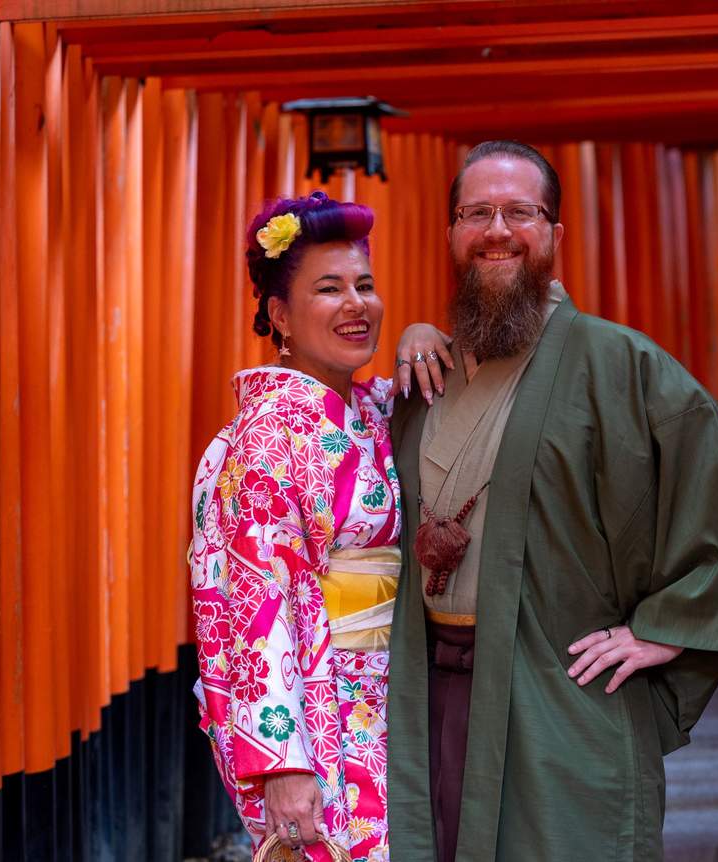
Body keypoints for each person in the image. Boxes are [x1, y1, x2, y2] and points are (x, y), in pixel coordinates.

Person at [386, 141, 718, 862]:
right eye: (476, 212)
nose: (496, 230)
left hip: (556, 691)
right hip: (428, 696)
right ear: (449, 234)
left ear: (554, 235)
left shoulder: (617, 362)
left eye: (519, 212)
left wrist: (670, 626)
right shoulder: (427, 376)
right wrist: (409, 333)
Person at [190, 191, 445, 861]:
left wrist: (425, 335)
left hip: (390, 687)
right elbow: (252, 606)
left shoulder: (366, 407)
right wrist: (282, 762)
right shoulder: (271, 434)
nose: (355, 303)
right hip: (322, 701)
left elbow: (447, 404)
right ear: (280, 315)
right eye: (328, 289)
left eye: (364, 284)